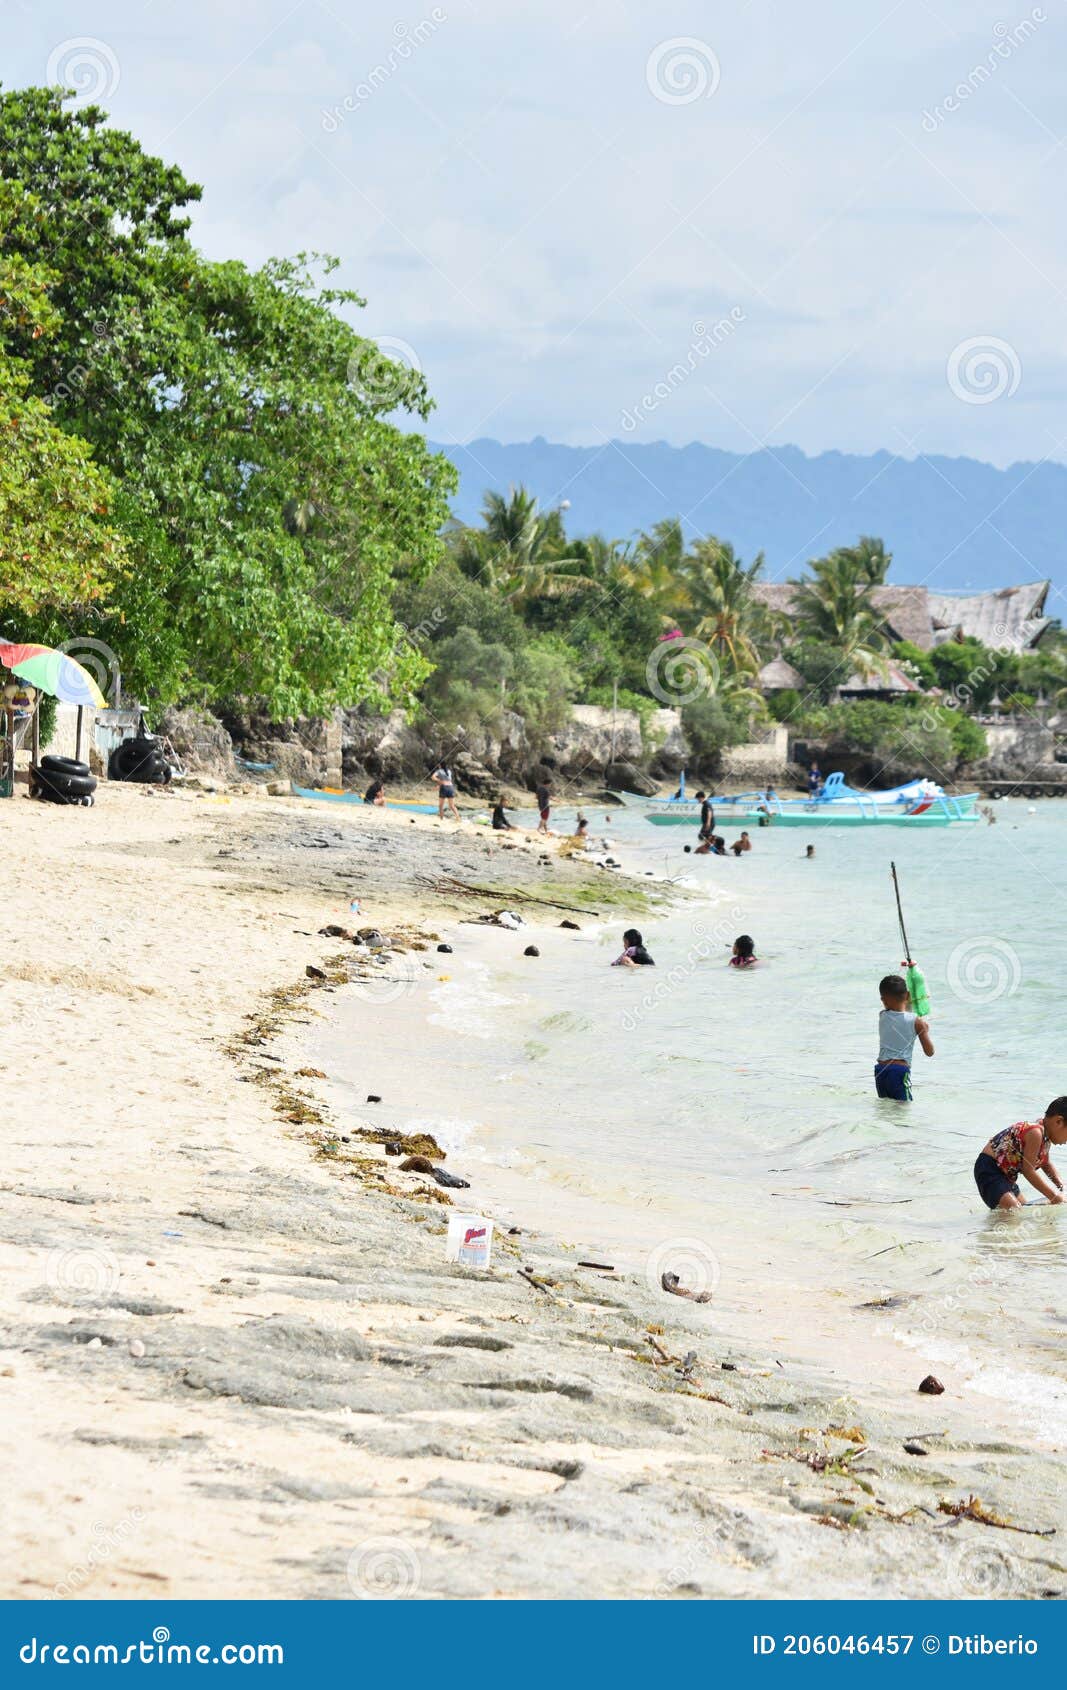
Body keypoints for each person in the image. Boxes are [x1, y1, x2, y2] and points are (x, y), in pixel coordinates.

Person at [974, 1101, 1067, 1210]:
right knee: (1014, 1210)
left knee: (1023, 1210)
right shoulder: (1036, 1132)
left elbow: (1045, 1164)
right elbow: (1028, 1170)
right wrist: (1053, 1196)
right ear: (1059, 1122)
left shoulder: (1046, 1138)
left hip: (1007, 1177)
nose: (1066, 1142)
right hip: (990, 1169)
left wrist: (1062, 1187)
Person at [875, 973, 934, 1101]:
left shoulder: (882, 1016)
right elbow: (930, 1052)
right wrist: (924, 1031)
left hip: (880, 1070)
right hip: (899, 1071)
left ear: (883, 1000)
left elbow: (901, 1013)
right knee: (903, 1109)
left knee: (886, 1108)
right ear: (907, 995)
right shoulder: (916, 1022)